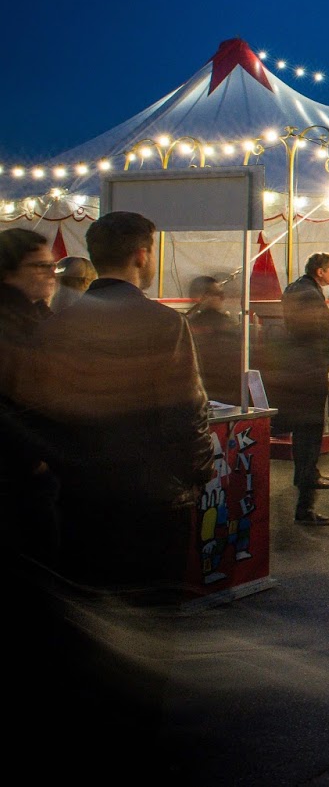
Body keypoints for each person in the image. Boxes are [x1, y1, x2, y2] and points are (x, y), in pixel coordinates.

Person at [28, 211, 212, 592]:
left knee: (90, 603)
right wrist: (198, 472)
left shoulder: (56, 326)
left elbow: (43, 410)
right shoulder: (163, 323)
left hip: (78, 491)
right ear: (142, 256)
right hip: (150, 493)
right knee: (152, 606)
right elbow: (185, 412)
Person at [0, 229, 60, 562]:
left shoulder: (37, 314)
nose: (52, 274)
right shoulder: (11, 321)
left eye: (53, 266)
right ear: (8, 270)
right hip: (18, 473)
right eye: (40, 266)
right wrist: (33, 456)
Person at [277, 252, 329, 526]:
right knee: (309, 432)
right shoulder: (307, 294)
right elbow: (312, 331)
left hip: (303, 370)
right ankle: (306, 503)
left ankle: (308, 475)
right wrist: (324, 357)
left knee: (307, 432)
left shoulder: (298, 289)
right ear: (319, 271)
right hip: (310, 371)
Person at [187, 275, 244, 405]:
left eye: (222, 293)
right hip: (214, 394)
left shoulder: (189, 324)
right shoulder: (191, 326)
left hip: (220, 393)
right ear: (202, 296)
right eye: (217, 294)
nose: (222, 298)